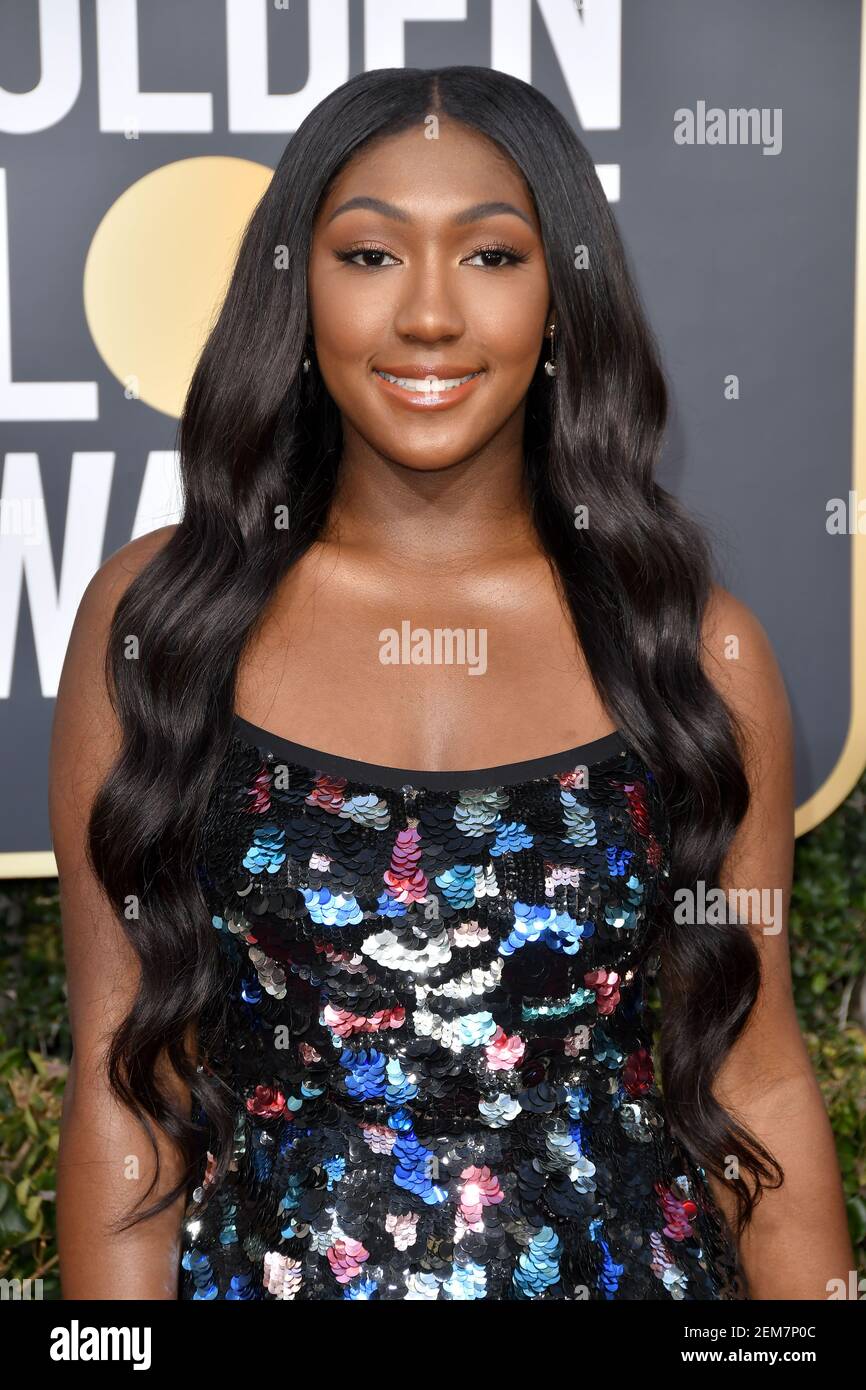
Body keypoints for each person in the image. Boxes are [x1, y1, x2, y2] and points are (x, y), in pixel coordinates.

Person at [51, 65, 854, 1301]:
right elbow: (128, 1082)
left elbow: (756, 1077)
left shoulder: (691, 651)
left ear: (561, 296)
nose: (428, 316)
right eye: (369, 256)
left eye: (489, 256)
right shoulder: (160, 620)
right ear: (295, 290)